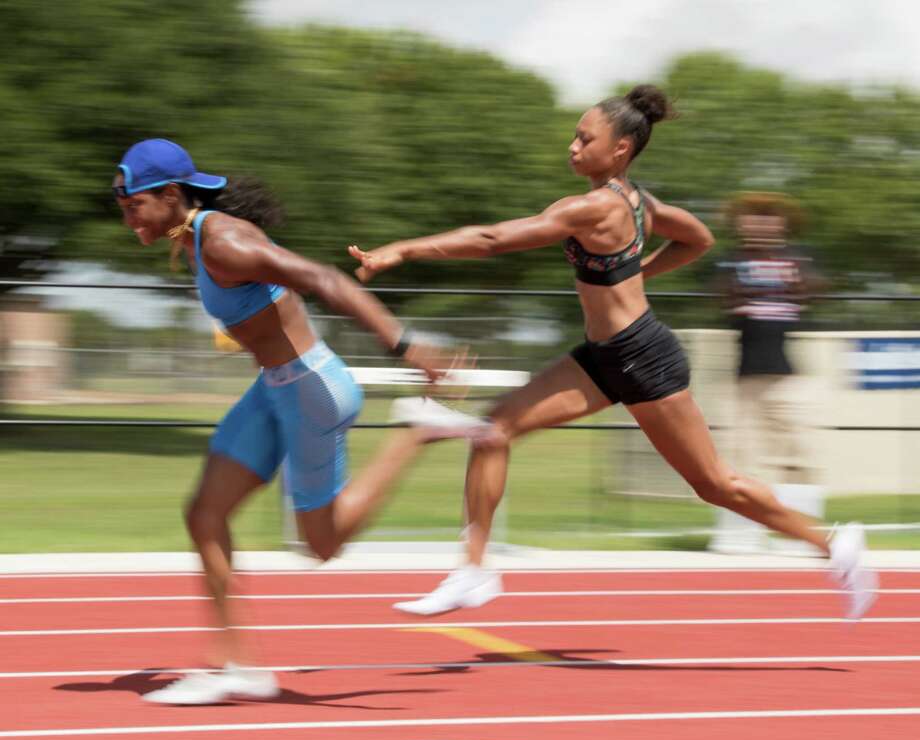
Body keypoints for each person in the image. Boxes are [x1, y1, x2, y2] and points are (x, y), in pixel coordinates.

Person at [348, 85, 878, 619]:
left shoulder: (596, 207)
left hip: (644, 358)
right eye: (574, 136)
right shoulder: (639, 202)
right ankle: (474, 571)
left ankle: (835, 547)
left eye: (585, 138)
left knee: (714, 485)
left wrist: (405, 249)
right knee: (495, 429)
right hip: (604, 358)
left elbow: (492, 240)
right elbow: (698, 240)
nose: (573, 146)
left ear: (621, 148)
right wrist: (638, 272)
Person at [112, 138, 485, 705]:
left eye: (133, 204)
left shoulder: (223, 240)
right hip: (273, 389)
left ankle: (417, 429)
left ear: (169, 195)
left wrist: (408, 347)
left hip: (312, 392)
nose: (126, 217)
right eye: (122, 206)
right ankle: (239, 668)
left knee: (322, 545)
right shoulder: (192, 240)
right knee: (205, 513)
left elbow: (326, 280)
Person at [711, 193, 827, 554]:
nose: (761, 223)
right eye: (753, 217)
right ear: (741, 224)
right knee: (742, 458)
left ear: (782, 225)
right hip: (746, 377)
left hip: (786, 376)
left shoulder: (799, 259)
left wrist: (792, 275)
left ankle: (799, 535)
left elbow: (818, 289)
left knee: (800, 453)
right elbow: (717, 297)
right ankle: (740, 534)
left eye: (769, 217)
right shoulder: (730, 262)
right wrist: (748, 275)